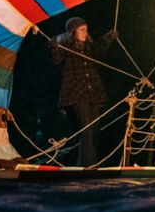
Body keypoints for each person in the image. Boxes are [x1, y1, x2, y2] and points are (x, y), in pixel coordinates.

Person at [50, 16, 117, 167]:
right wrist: (54, 45)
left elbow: (99, 49)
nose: (85, 33)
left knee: (94, 130)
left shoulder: (89, 49)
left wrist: (108, 39)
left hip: (92, 95)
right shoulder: (66, 49)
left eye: (86, 29)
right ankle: (90, 166)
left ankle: (83, 162)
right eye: (82, 30)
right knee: (86, 130)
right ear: (73, 32)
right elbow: (55, 58)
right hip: (76, 96)